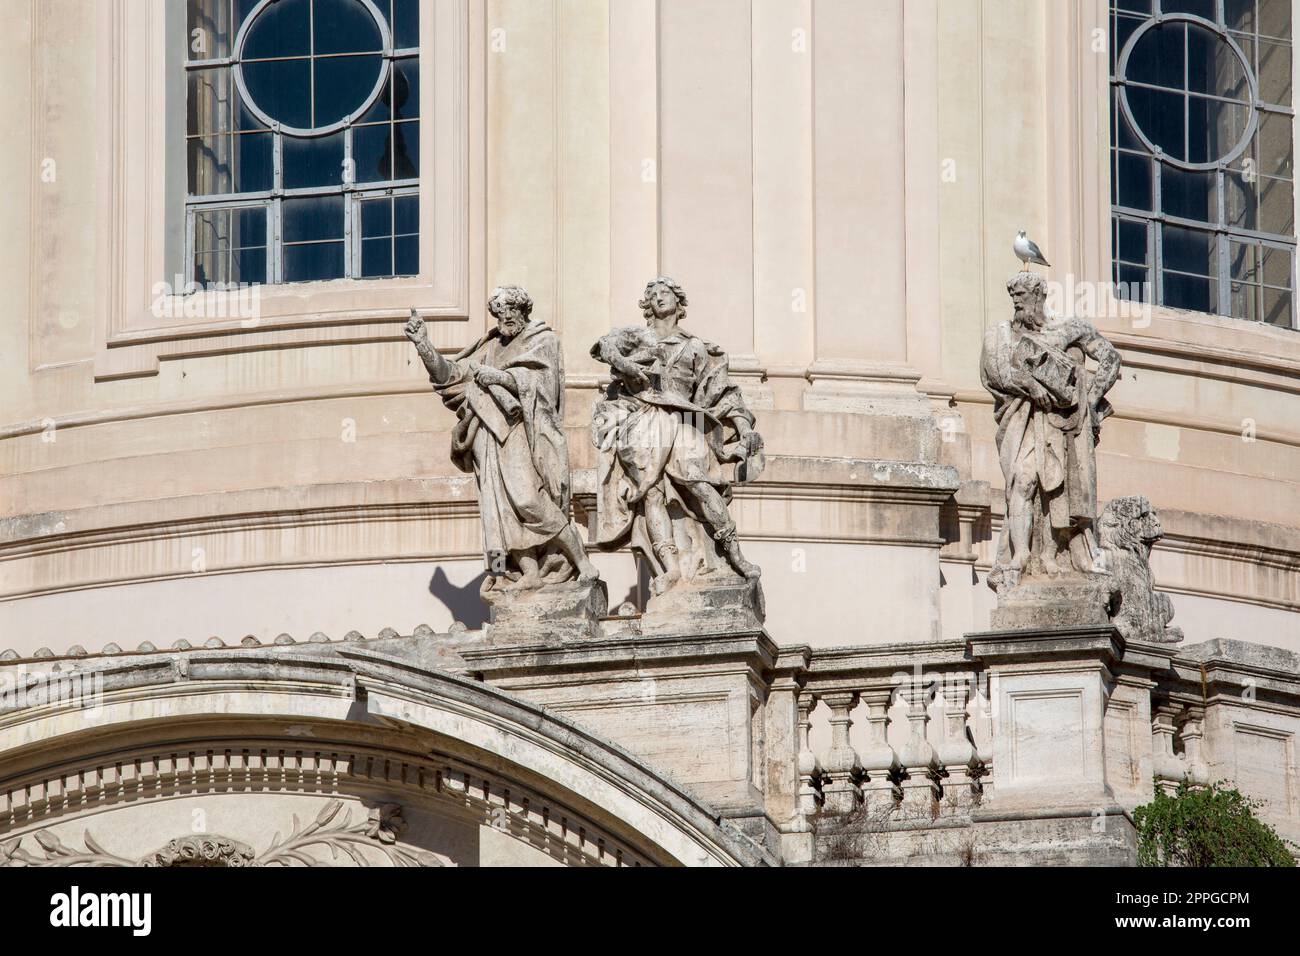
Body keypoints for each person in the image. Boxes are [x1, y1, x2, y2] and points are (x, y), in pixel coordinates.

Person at [405, 286, 597, 593]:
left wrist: (501, 378)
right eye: (498, 311)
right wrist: (424, 345)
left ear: (522, 309)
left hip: (522, 432)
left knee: (528, 500)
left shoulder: (542, 340)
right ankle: (521, 571)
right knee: (497, 510)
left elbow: (545, 386)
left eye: (510, 308)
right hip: (485, 436)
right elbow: (451, 378)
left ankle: (582, 562)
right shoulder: (488, 347)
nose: (504, 316)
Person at [590, 277, 764, 596]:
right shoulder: (638, 337)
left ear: (678, 303)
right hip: (646, 420)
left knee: (698, 482)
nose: (659, 298)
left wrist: (744, 428)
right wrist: (627, 364)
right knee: (652, 493)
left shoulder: (694, 345)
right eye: (653, 294)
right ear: (647, 305)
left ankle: (735, 554)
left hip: (683, 419)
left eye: (665, 293)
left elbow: (722, 391)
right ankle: (670, 567)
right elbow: (601, 347)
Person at [980, 271, 1121, 590]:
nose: (1017, 301)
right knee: (1023, 480)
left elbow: (1110, 359)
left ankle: (1051, 554)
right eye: (1013, 295)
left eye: (1023, 294)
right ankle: (1019, 557)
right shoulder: (1002, 335)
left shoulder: (1069, 328)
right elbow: (995, 374)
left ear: (1040, 296)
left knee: (1058, 489)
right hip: (1025, 419)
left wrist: (1090, 400)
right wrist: (1031, 386)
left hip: (1063, 425)